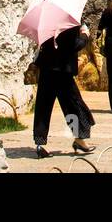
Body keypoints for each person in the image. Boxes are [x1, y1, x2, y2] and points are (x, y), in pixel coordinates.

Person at [33, 21, 96, 157]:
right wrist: (84, 35)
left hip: (46, 69)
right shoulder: (68, 23)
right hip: (62, 71)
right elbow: (75, 45)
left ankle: (39, 144)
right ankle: (79, 138)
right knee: (73, 105)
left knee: (43, 106)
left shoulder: (47, 21)